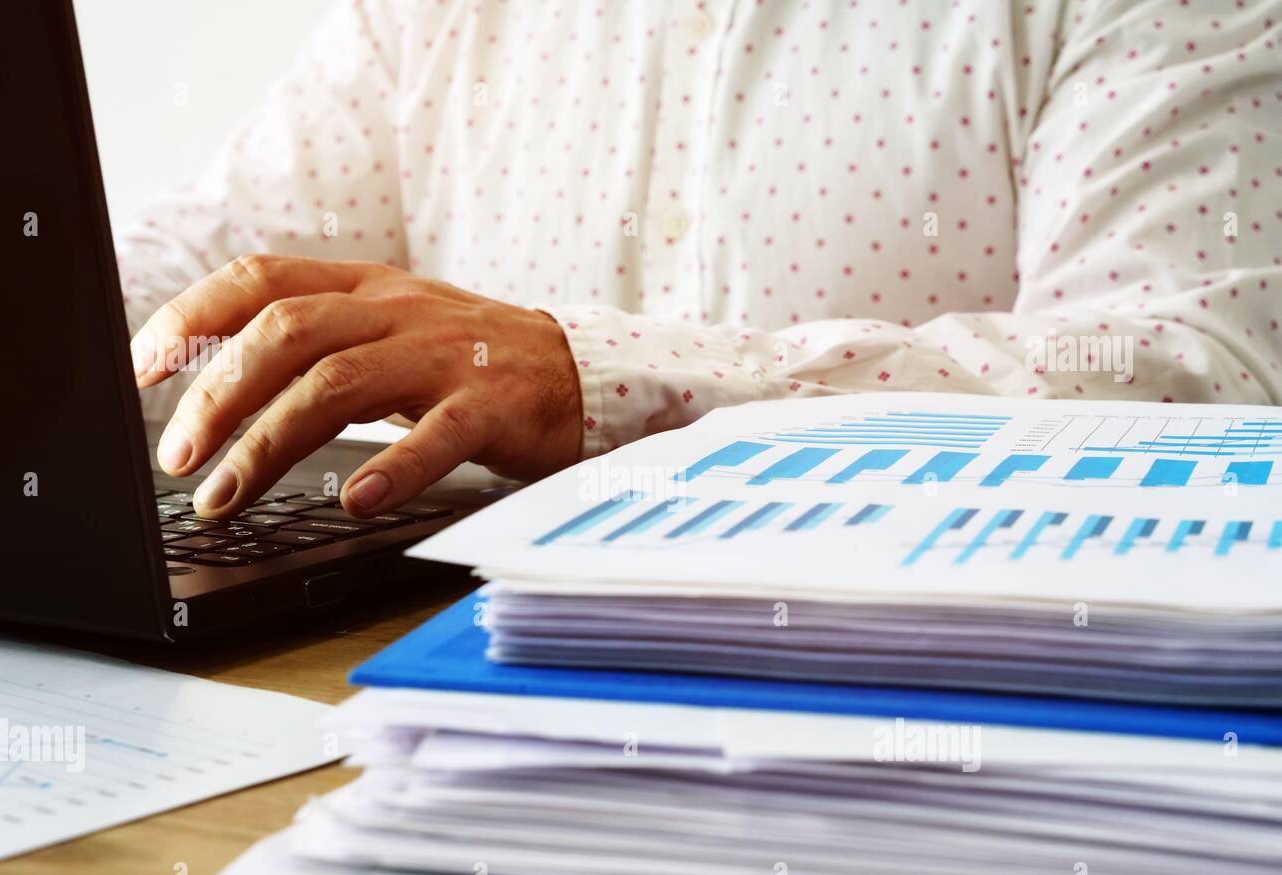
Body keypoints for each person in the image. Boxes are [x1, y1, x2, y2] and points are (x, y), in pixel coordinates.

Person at [122, 0, 1281, 520]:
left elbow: (1197, 386)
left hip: (913, 726)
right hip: (409, 688)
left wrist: (602, 379)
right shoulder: (435, 16)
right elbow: (215, 267)